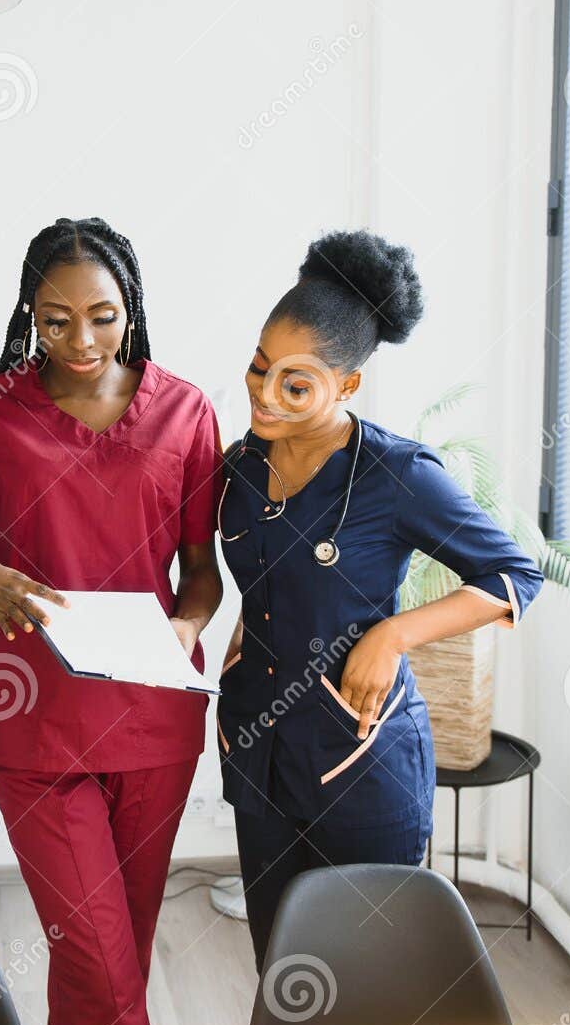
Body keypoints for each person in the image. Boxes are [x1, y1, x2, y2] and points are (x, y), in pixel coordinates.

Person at [0, 218, 223, 1025]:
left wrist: (186, 630)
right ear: (28, 316)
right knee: (99, 958)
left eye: (103, 315)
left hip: (154, 717)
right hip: (32, 720)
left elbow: (201, 572)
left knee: (114, 955)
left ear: (132, 308)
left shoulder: (187, 412)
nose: (80, 339)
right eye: (55, 320)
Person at [215, 231, 545, 969]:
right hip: (258, 751)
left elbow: (513, 575)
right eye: (258, 370)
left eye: (295, 385)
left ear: (348, 385)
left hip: (359, 762)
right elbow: (268, 568)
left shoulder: (395, 474)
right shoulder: (238, 468)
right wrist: (249, 620)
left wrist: (392, 635)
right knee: (285, 967)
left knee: (376, 978)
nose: (266, 397)